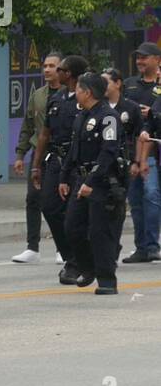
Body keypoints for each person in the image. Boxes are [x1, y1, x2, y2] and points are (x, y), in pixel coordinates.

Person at [59, 72, 126, 295]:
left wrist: (92, 181)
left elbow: (108, 152)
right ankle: (88, 268)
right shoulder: (82, 116)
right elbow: (73, 151)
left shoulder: (109, 117)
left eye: (78, 89)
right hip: (81, 179)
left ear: (87, 92)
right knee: (72, 228)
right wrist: (64, 177)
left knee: (100, 232)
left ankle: (107, 280)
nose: (75, 92)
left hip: (102, 182)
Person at [32, 54, 89, 283]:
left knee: (75, 215)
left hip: (78, 162)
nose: (56, 72)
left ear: (70, 74)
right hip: (56, 159)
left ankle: (79, 261)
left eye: (61, 70)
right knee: (49, 206)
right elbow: (45, 134)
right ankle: (70, 256)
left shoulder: (88, 98)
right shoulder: (55, 98)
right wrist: (36, 165)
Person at [12, 52, 62, 264]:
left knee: (58, 200)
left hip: (60, 153)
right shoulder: (38, 95)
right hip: (38, 152)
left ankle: (63, 247)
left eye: (52, 66)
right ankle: (32, 247)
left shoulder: (70, 94)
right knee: (33, 198)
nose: (47, 70)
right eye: (45, 65)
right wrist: (20, 154)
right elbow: (28, 126)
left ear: (62, 69)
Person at [120, 42, 161, 262]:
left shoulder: (160, 85)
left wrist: (152, 114)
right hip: (132, 148)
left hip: (153, 149)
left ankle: (153, 244)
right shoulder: (130, 85)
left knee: (152, 196)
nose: (140, 61)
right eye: (138, 58)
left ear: (157, 60)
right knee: (135, 199)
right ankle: (142, 247)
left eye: (144, 57)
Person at [103, 68, 142, 261]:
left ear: (117, 83)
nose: (103, 86)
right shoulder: (98, 108)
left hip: (122, 164)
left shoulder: (131, 108)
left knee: (118, 205)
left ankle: (114, 245)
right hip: (102, 163)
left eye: (106, 82)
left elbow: (138, 136)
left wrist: (136, 161)